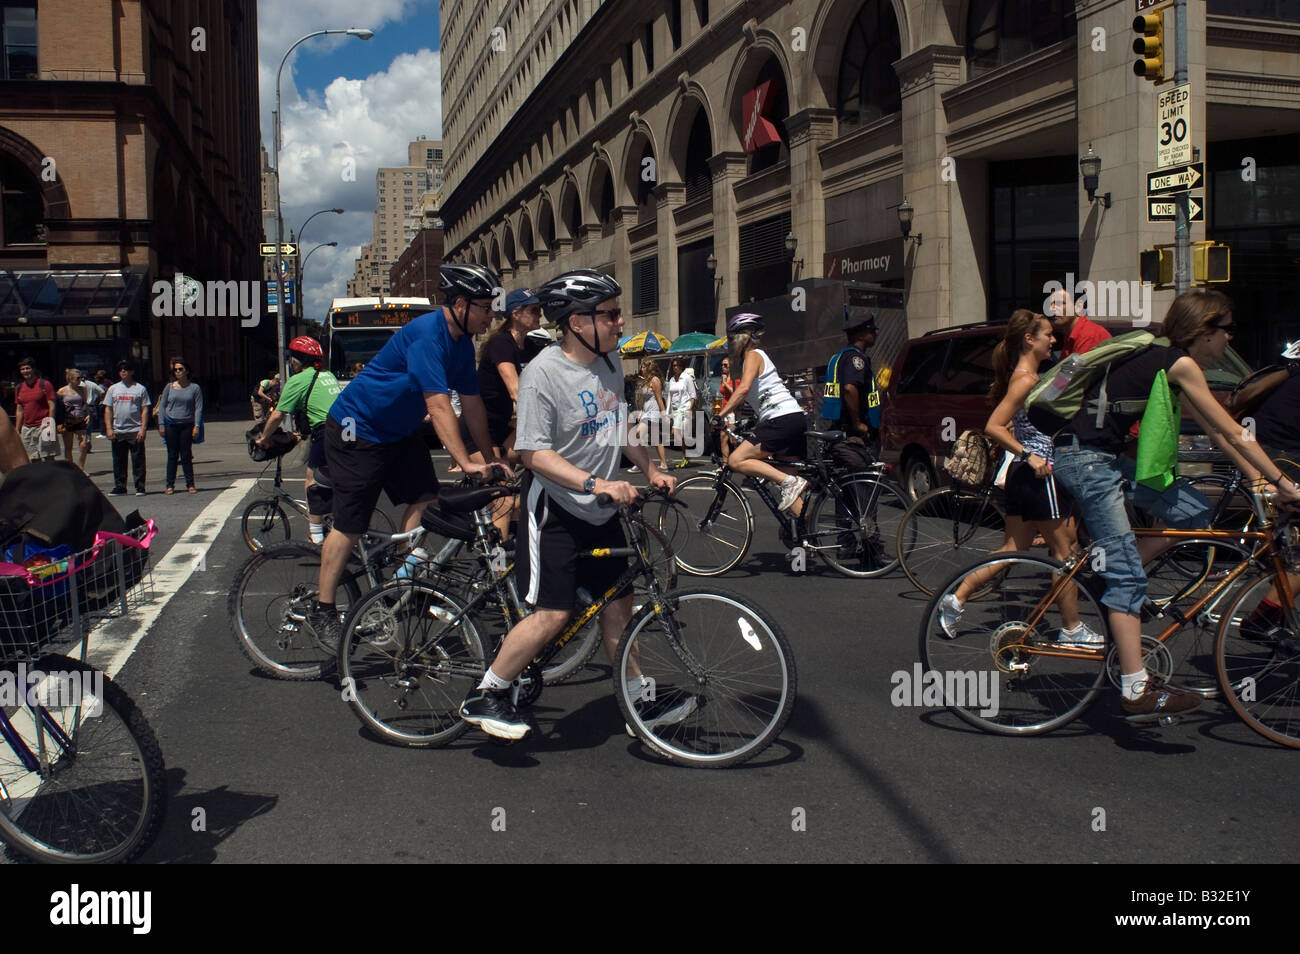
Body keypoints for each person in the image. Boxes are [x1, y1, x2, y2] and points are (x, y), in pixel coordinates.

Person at [1046, 289, 1300, 720]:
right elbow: (1237, 435)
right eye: (1226, 331)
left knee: (1195, 512)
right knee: (1127, 581)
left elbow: (1221, 435)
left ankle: (1109, 571)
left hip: (1103, 458)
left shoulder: (1172, 361)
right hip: (1087, 461)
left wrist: (1260, 480)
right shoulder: (1178, 363)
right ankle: (1136, 688)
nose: (1230, 340)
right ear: (1204, 331)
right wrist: (1284, 483)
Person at [458, 269, 677, 740]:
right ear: (578, 322)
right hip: (553, 508)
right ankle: (488, 692)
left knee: (620, 604)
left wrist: (651, 470)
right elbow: (533, 454)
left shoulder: (611, 361)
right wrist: (596, 481)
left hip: (600, 507)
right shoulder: (542, 374)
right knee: (552, 614)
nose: (621, 322)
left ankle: (639, 702)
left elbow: (620, 426)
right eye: (612, 314)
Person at [308, 264, 505, 645]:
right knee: (351, 523)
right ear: (460, 304)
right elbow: (438, 403)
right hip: (356, 428)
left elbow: (472, 402)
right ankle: (324, 607)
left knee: (427, 500)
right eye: (485, 306)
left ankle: (400, 580)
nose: (491, 314)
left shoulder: (462, 343)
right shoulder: (427, 334)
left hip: (399, 431)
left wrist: (491, 455)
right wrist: (466, 462)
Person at [938, 311, 1097, 644]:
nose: (1054, 340)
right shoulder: (1025, 378)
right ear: (1030, 339)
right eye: (1049, 335)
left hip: (1026, 475)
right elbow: (994, 426)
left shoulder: (1030, 376)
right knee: (1065, 555)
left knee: (1014, 547)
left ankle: (956, 599)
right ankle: (1071, 629)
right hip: (1038, 474)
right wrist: (1029, 454)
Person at [712, 313, 809, 514]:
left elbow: (744, 388)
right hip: (793, 418)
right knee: (789, 494)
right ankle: (807, 538)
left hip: (780, 419)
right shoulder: (758, 357)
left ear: (744, 337)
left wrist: (721, 414)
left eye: (732, 338)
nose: (730, 343)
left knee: (736, 460)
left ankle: (790, 481)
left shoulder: (753, 355)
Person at [258, 336, 341, 542]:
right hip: (347, 430)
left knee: (312, 481)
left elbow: (278, 415)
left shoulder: (299, 380)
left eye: (292, 358)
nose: (290, 362)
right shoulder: (327, 374)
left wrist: (264, 438)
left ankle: (316, 535)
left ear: (299, 359)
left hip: (326, 431)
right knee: (335, 479)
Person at [824, 311, 882, 463]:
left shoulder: (841, 356)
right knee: (865, 479)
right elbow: (849, 389)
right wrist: (857, 423)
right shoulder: (855, 358)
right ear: (860, 335)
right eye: (871, 331)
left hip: (843, 427)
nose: (875, 334)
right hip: (854, 432)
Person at [157, 355, 203, 494]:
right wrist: (161, 424)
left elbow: (198, 408)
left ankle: (190, 484)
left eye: (180, 369)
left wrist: (197, 426)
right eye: (175, 370)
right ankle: (169, 485)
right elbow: (162, 406)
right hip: (171, 424)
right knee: (172, 455)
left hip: (187, 425)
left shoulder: (195, 388)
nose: (177, 372)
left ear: (187, 370)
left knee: (186, 455)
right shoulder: (169, 387)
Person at [104, 359, 151, 496]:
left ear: (132, 371)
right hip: (118, 430)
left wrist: (143, 428)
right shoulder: (113, 389)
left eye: (126, 369)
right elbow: (108, 409)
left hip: (135, 430)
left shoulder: (140, 389)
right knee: (119, 461)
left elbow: (145, 409)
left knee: (138, 461)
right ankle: (120, 486)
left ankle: (140, 487)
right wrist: (108, 428)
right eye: (121, 369)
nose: (123, 371)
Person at [14, 358, 58, 462]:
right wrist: (17, 429)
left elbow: (52, 406)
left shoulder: (45, 384)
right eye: (22, 369)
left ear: (33, 369)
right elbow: (19, 410)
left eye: (27, 368)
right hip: (28, 428)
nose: (25, 371)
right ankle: (39, 478)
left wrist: (50, 425)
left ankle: (51, 478)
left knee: (49, 457)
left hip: (44, 425)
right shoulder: (19, 388)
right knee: (33, 458)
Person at [1046, 287, 1110, 359]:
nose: (1051, 309)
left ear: (1079, 306)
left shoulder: (1089, 336)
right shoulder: (1069, 334)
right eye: (1051, 304)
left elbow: (1077, 370)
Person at [634, 358, 669, 471]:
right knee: (656, 439)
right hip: (646, 412)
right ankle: (664, 464)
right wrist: (641, 412)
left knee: (638, 435)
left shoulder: (655, 380)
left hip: (653, 412)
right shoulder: (646, 381)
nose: (642, 369)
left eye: (644, 367)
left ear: (649, 368)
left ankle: (641, 463)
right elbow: (645, 400)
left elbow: (659, 399)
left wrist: (664, 414)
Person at [56, 368, 93, 471]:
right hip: (68, 420)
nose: (79, 380)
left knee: (84, 444)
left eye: (81, 378)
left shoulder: (82, 389)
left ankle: (81, 467)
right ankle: (70, 470)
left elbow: (85, 403)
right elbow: (57, 405)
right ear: (70, 378)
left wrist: (88, 414)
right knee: (68, 447)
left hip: (80, 419)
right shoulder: (62, 391)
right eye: (77, 378)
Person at [666, 357, 696, 468]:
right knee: (679, 435)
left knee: (675, 432)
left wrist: (690, 409)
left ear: (681, 367)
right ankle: (686, 455)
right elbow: (669, 396)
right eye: (673, 365)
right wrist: (667, 412)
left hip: (684, 409)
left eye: (676, 365)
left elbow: (693, 395)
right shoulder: (672, 380)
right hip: (675, 410)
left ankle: (686, 455)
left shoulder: (687, 378)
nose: (674, 368)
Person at [716, 356, 740, 458]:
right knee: (723, 437)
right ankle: (725, 465)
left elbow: (736, 393)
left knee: (732, 439)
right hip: (725, 410)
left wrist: (725, 383)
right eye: (722, 365)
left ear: (731, 366)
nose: (723, 367)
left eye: (725, 365)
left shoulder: (736, 379)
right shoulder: (724, 378)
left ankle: (737, 461)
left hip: (733, 411)